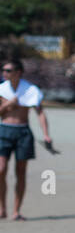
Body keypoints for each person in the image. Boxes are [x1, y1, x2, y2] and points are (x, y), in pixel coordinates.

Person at [0, 57, 56, 220]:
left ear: (18, 73)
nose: (4, 73)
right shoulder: (2, 89)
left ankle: (16, 210)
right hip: (4, 130)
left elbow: (40, 113)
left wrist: (46, 134)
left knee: (21, 172)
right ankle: (2, 207)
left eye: (8, 71)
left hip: (23, 132)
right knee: (1, 169)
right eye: (3, 70)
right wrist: (9, 104)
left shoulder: (30, 90)